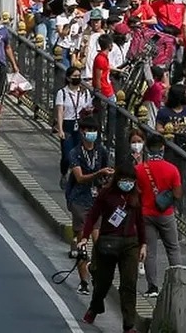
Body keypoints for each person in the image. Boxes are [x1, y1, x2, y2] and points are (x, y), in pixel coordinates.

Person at [79, 165, 146, 332]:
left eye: (131, 181)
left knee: (129, 284)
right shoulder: (106, 195)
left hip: (130, 244)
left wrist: (143, 244)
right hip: (108, 242)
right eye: (124, 180)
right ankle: (95, 307)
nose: (127, 184)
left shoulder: (136, 196)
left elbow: (140, 221)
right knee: (103, 282)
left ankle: (129, 324)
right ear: (117, 180)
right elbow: (92, 216)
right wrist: (85, 237)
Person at [65, 116, 112, 295]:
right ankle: (83, 281)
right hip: (79, 200)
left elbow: (106, 175)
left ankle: (94, 269)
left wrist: (106, 178)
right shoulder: (75, 153)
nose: (90, 134)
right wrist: (98, 173)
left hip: (96, 200)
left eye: (93, 130)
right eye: (87, 130)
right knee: (82, 242)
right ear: (82, 132)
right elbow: (79, 178)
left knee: (98, 241)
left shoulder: (102, 151)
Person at [137, 134, 183, 296]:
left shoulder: (140, 169)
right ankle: (178, 285)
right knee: (173, 248)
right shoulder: (172, 169)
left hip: (146, 213)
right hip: (166, 213)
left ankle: (152, 288)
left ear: (147, 149)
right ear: (163, 148)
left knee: (150, 251)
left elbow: (137, 192)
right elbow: (177, 194)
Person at [55, 66, 94, 174]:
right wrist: (60, 129)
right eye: (75, 76)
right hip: (67, 124)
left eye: (79, 76)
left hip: (80, 125)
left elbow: (88, 107)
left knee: (79, 154)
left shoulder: (84, 93)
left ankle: (75, 176)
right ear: (68, 78)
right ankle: (64, 173)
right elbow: (60, 111)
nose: (77, 78)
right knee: (67, 155)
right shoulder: (62, 93)